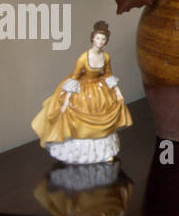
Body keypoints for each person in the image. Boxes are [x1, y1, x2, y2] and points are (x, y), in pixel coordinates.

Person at [30, 20, 133, 164]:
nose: (100, 41)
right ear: (92, 38)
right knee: (76, 113)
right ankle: (79, 153)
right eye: (98, 38)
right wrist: (67, 100)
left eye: (103, 39)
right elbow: (75, 76)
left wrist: (117, 91)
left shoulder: (106, 57)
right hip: (83, 88)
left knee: (104, 110)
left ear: (106, 41)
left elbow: (108, 74)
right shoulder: (84, 57)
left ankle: (104, 152)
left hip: (100, 88)